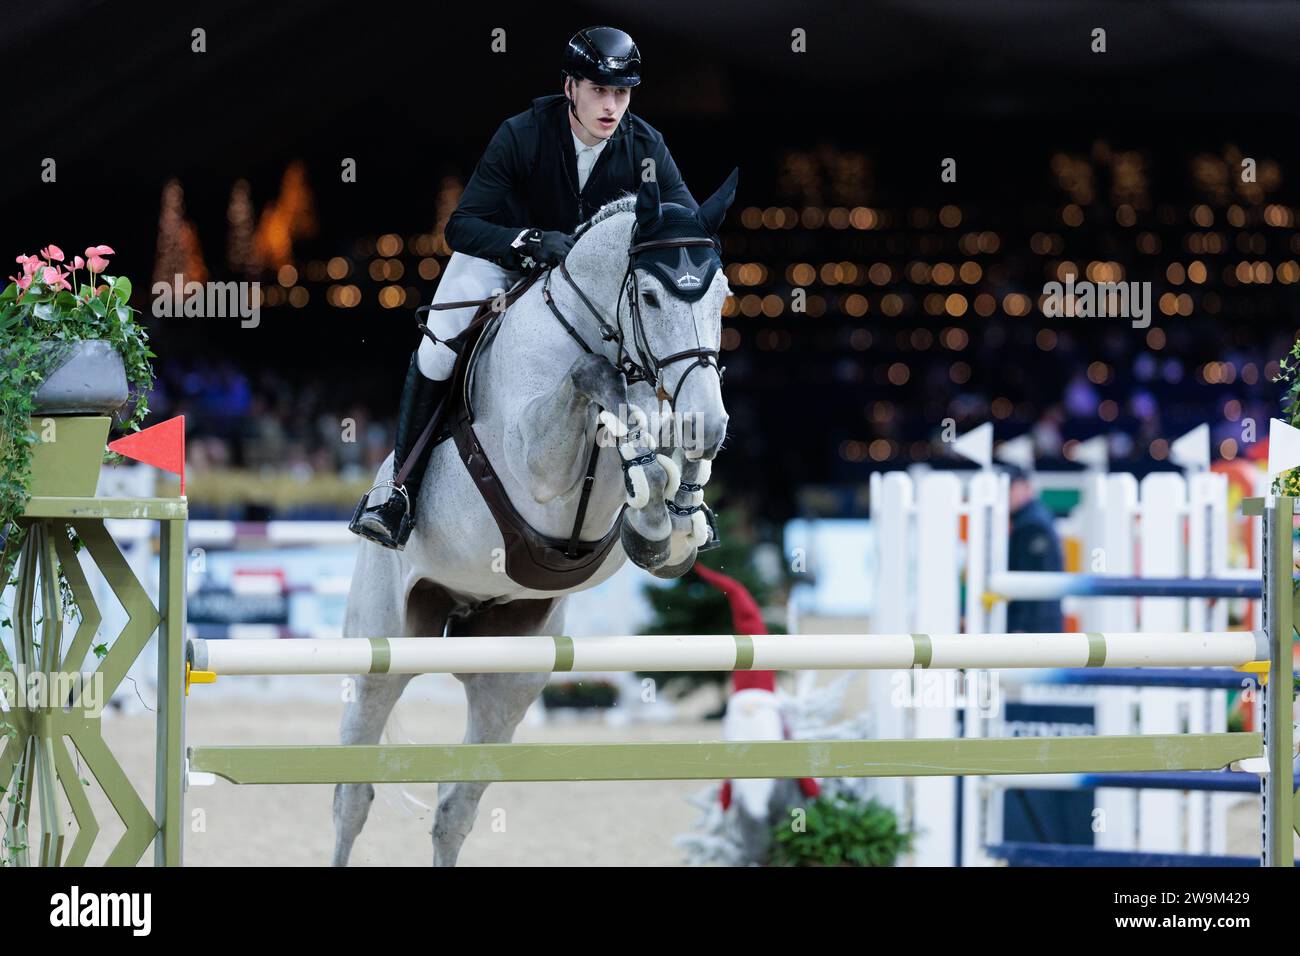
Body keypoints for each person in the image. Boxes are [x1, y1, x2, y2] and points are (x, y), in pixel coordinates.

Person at [351, 26, 700, 549]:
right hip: (507, 262)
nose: (611, 107)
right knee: (440, 343)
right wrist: (532, 241)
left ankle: (688, 496)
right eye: (599, 91)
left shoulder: (647, 145)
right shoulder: (522, 133)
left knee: (666, 336)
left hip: (589, 286)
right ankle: (399, 490)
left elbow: (683, 221)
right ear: (570, 88)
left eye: (621, 94)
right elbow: (462, 227)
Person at [1003, 464, 1065, 632]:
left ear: (1025, 487)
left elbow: (1033, 581)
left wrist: (1021, 627)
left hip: (1034, 627)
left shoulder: (1030, 525)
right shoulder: (1035, 517)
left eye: (1010, 488)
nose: (1005, 495)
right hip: (1041, 623)